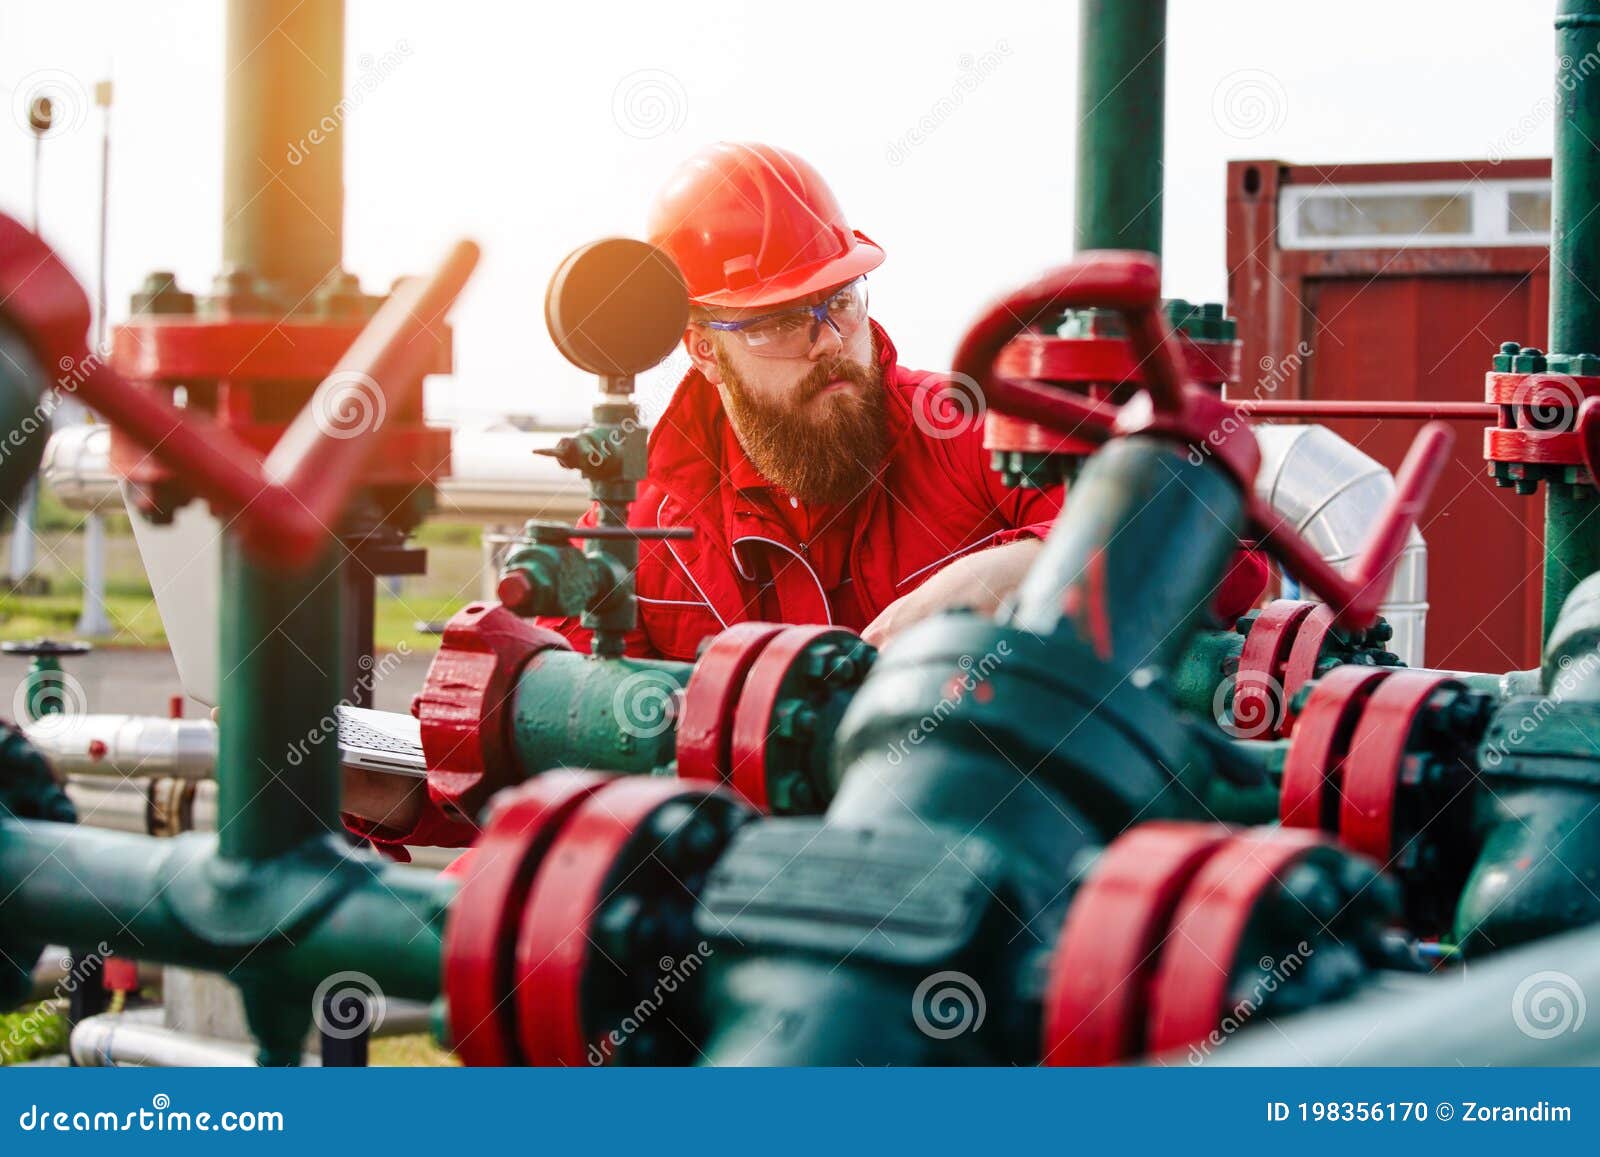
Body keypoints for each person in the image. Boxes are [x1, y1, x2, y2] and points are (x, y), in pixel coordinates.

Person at [534, 141, 1065, 657]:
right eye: (781, 321)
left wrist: (990, 578)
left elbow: (1110, 529)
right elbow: (561, 691)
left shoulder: (964, 425)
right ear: (704, 350)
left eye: (840, 300)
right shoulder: (643, 529)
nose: (829, 341)